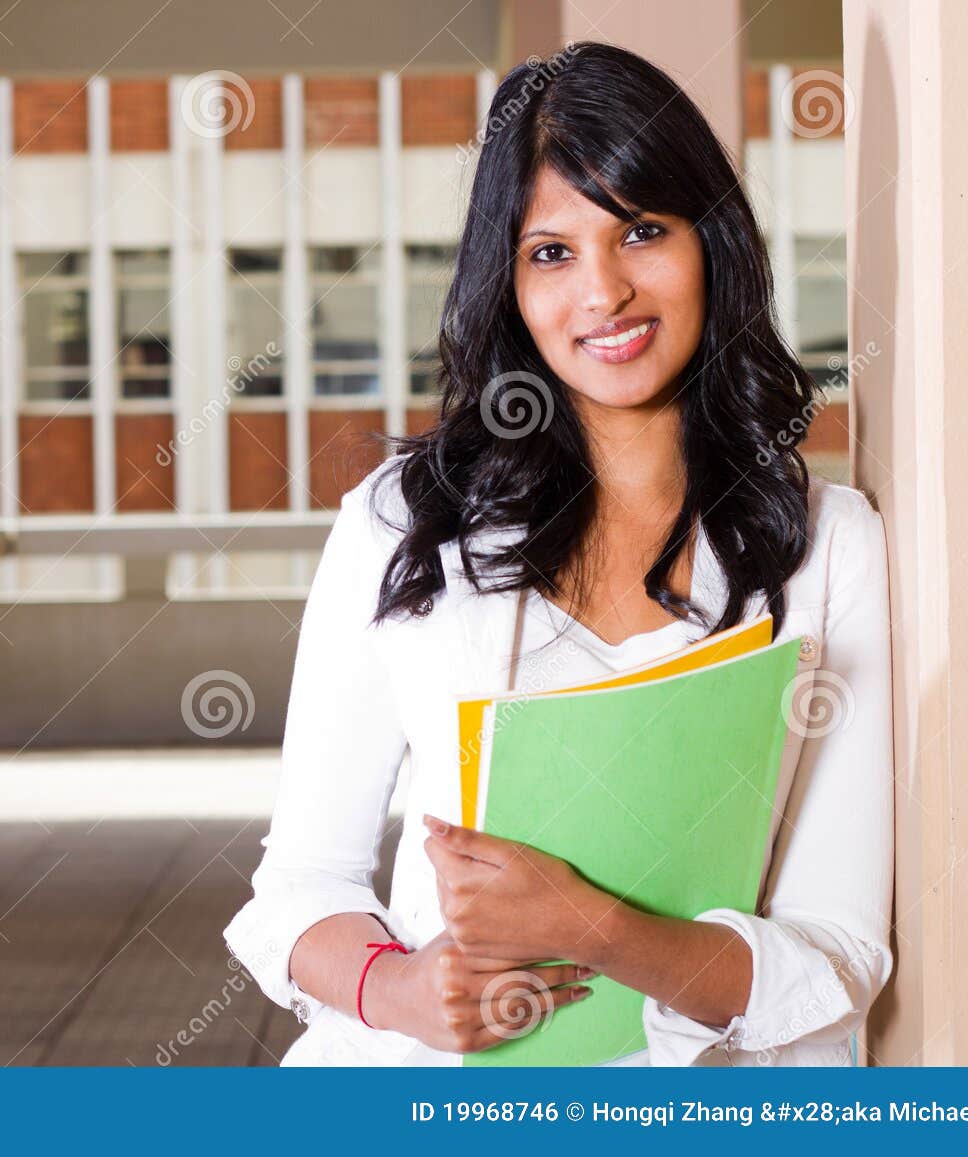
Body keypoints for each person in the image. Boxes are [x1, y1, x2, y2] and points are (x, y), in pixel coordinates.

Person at [223, 40, 894, 1066]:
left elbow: (836, 955)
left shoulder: (826, 543)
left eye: (643, 230)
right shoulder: (403, 525)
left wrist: (592, 928)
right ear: (508, 279)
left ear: (710, 244)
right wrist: (401, 987)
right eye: (551, 252)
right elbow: (300, 887)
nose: (604, 291)